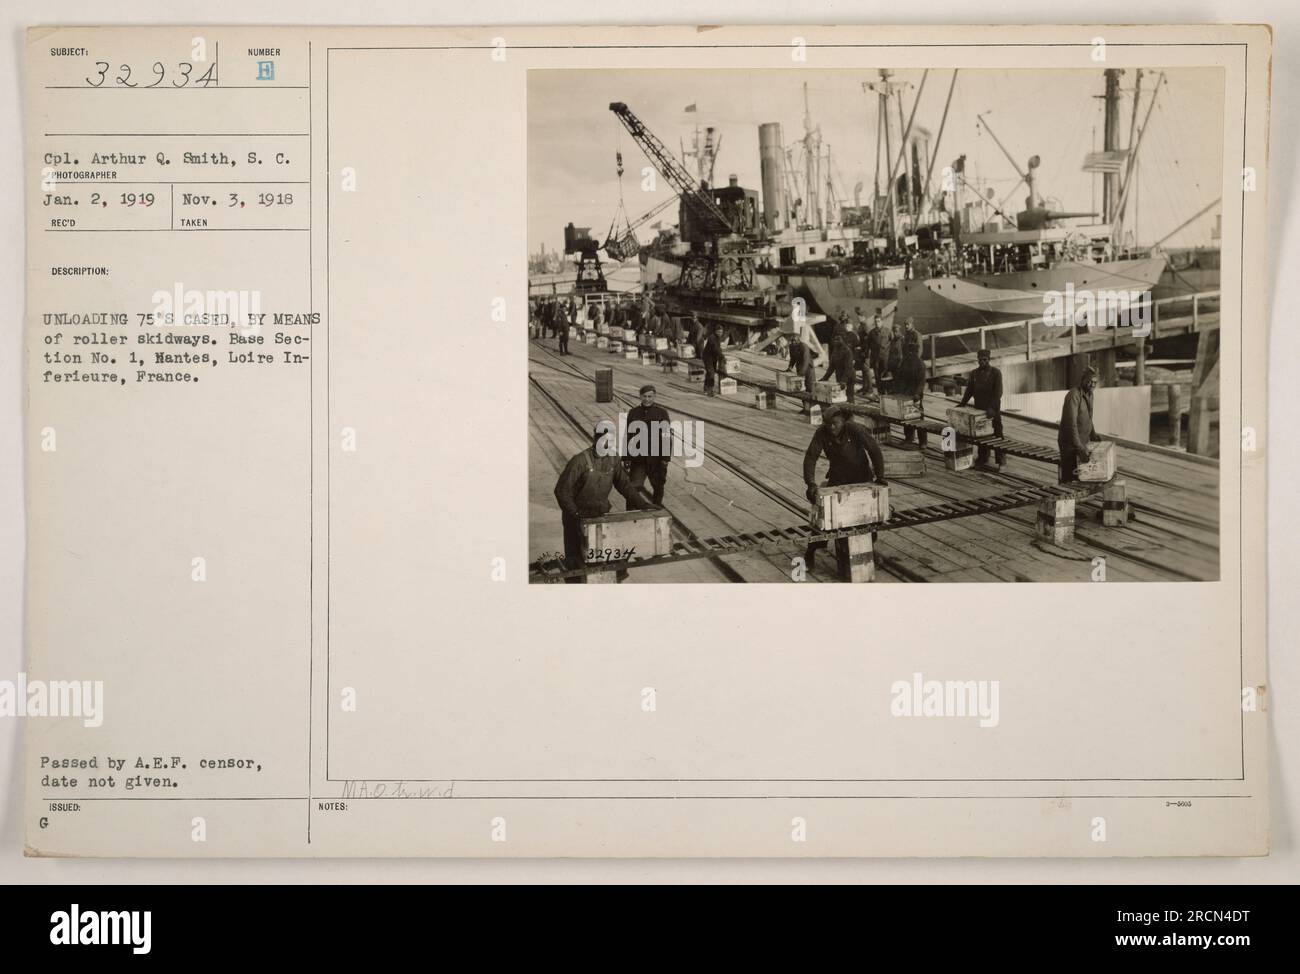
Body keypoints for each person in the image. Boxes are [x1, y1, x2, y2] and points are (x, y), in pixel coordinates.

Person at [553, 420, 652, 583]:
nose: (607, 446)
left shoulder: (613, 459)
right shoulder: (580, 461)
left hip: (600, 513)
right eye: (604, 440)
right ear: (595, 439)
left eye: (611, 441)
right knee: (577, 564)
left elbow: (625, 486)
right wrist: (576, 513)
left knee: (608, 556)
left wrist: (642, 504)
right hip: (576, 517)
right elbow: (562, 491)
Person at [801, 406, 887, 568]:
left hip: (861, 478)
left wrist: (880, 476)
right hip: (838, 478)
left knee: (867, 518)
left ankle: (868, 549)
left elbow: (874, 450)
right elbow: (811, 456)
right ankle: (810, 552)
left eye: (835, 423)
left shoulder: (855, 429)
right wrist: (810, 483)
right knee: (825, 518)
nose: (831, 427)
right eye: (827, 424)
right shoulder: (821, 433)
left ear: (842, 421)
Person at [959, 348, 1006, 468]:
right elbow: (969, 390)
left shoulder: (996, 373)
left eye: (984, 360)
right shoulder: (974, 373)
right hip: (979, 409)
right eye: (980, 360)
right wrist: (962, 403)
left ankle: (1001, 461)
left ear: (989, 360)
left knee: (997, 433)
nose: (982, 362)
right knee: (980, 433)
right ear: (977, 360)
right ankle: (982, 458)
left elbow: (998, 393)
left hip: (993, 409)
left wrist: (991, 408)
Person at [626, 384, 671, 506]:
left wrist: (666, 458)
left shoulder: (662, 413)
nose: (647, 399)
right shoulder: (633, 413)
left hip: (656, 458)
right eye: (644, 396)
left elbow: (666, 436)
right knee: (634, 486)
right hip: (638, 458)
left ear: (654, 397)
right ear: (640, 396)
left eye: (650, 396)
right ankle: (631, 512)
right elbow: (629, 436)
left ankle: (656, 507)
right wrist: (626, 457)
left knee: (658, 486)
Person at [1058, 366, 1103, 483]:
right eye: (1089, 381)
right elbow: (1070, 424)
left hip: (1082, 442)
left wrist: (1093, 434)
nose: (1092, 384)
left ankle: (1077, 500)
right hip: (1069, 444)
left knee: (1081, 476)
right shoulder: (1073, 396)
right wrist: (1079, 448)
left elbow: (1088, 418)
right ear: (1083, 380)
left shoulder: (1090, 395)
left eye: (1095, 382)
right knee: (1068, 478)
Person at [895, 343, 929, 447]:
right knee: (906, 416)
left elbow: (921, 382)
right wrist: (898, 390)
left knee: (919, 418)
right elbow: (899, 377)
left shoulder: (920, 364)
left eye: (912, 352)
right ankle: (909, 437)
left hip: (915, 395)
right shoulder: (904, 362)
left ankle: (923, 442)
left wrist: (917, 394)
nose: (910, 354)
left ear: (916, 352)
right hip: (905, 394)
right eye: (909, 352)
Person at [821, 333, 857, 404]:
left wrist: (844, 381)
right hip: (840, 377)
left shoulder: (847, 351)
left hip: (849, 377)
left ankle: (850, 414)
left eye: (838, 340)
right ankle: (843, 413)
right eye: (835, 340)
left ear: (842, 340)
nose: (835, 341)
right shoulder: (835, 350)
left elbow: (848, 368)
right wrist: (825, 378)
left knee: (849, 397)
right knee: (841, 397)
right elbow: (831, 367)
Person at [787, 332, 817, 413]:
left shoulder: (804, 346)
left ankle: (812, 409)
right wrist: (790, 367)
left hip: (808, 369)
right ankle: (805, 408)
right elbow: (792, 358)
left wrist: (802, 373)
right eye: (791, 341)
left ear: (798, 340)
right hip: (799, 369)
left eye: (794, 341)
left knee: (810, 388)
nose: (793, 342)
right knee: (801, 389)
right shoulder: (791, 347)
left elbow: (806, 360)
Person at [701, 324, 727, 396]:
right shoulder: (712, 338)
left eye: (721, 332)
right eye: (718, 332)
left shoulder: (717, 338)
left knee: (710, 373)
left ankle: (706, 389)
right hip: (708, 358)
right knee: (711, 373)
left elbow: (718, 348)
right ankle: (710, 391)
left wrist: (721, 355)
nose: (720, 334)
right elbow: (715, 349)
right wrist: (722, 356)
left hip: (713, 358)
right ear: (715, 331)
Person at [883, 324, 903, 393]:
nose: (895, 333)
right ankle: (895, 390)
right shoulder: (893, 340)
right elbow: (890, 352)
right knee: (894, 378)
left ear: (899, 331)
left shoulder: (902, 340)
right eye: (894, 332)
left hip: (899, 362)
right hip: (893, 363)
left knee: (899, 378)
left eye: (896, 331)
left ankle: (899, 391)